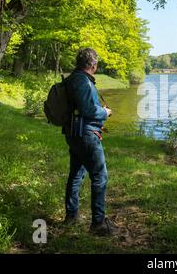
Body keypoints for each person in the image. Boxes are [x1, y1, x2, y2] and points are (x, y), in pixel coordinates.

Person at [62, 47, 116, 236]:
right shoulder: (83, 81)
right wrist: (105, 112)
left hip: (73, 133)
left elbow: (80, 106)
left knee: (76, 174)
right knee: (100, 177)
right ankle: (98, 224)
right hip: (86, 135)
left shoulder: (72, 79)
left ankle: (71, 216)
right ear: (93, 65)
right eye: (96, 64)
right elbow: (88, 110)